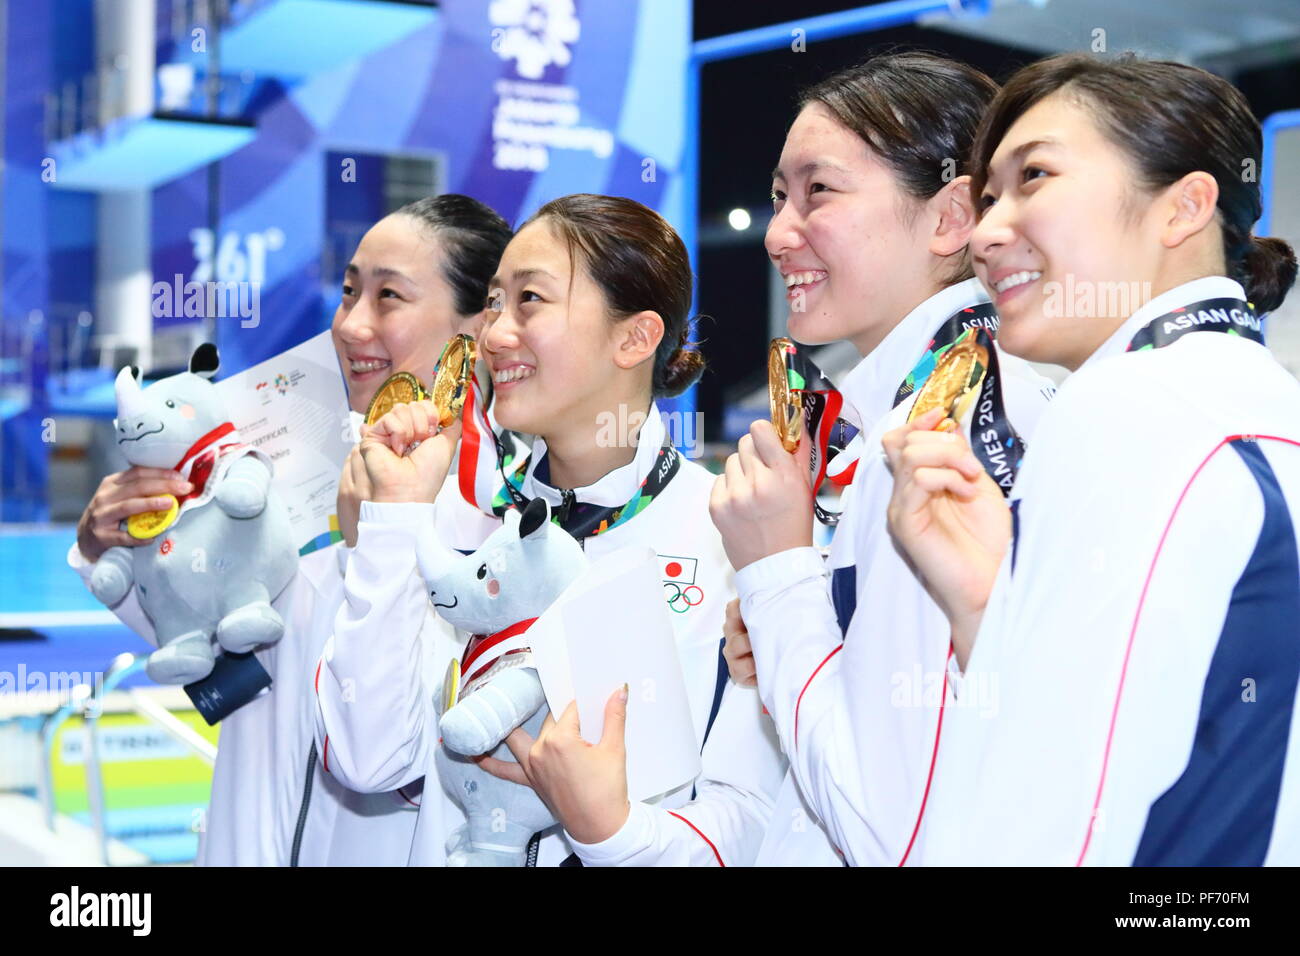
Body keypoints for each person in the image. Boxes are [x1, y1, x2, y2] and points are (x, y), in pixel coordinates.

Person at [883, 53, 1300, 865]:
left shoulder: (1132, 405)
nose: (987, 231)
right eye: (987, 196)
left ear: (1183, 207)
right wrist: (987, 612)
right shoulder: (1252, 400)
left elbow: (1049, 821)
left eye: (1034, 176)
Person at [315, 194, 785, 865]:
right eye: (496, 302)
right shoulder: (455, 519)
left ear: (635, 337)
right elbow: (367, 762)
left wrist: (611, 830)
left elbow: (750, 818)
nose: (495, 333)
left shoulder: (728, 536)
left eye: (530, 300)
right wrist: (392, 522)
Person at [69, 194, 512, 865]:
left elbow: (395, 745)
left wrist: (386, 535)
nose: (351, 324)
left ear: (478, 328)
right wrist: (113, 549)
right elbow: (219, 646)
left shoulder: (503, 518)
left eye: (388, 296)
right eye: (347, 291)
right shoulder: (278, 457)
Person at [708, 52, 1055, 865]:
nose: (777, 233)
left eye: (817, 192)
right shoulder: (918, 412)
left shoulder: (945, 433)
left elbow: (883, 826)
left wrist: (776, 577)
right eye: (777, 197)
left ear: (949, 217)